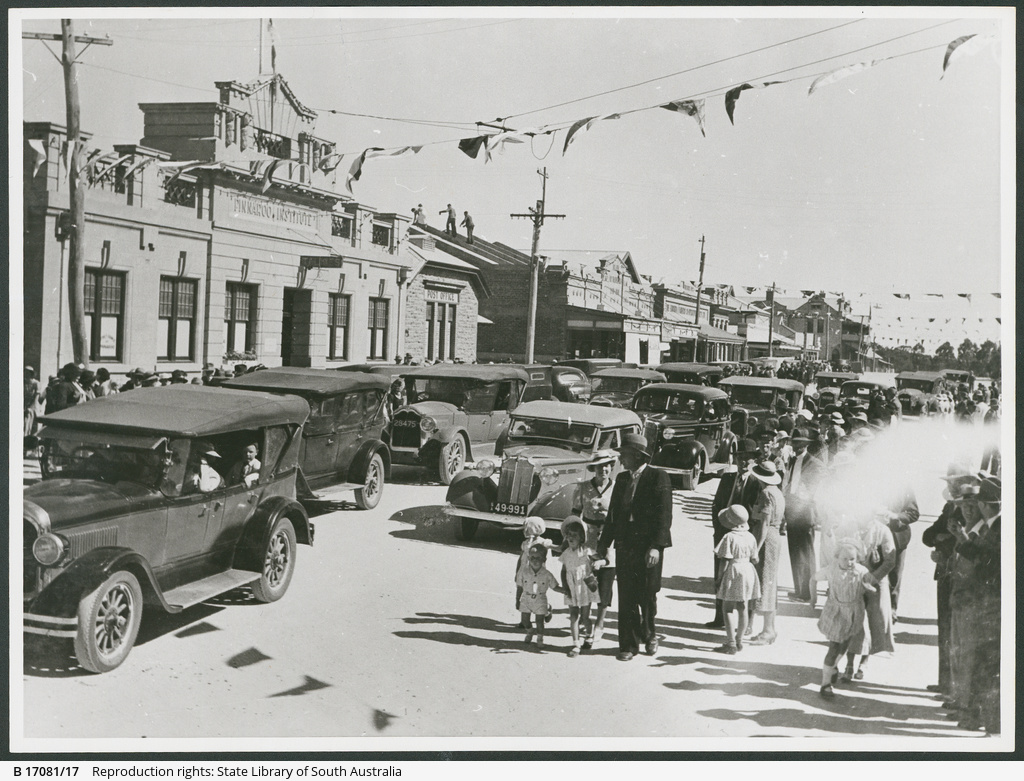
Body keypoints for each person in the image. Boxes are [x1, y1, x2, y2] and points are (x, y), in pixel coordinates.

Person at [597, 432, 672, 661]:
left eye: (625, 454)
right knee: (627, 595)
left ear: (638, 456)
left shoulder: (658, 477)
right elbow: (613, 515)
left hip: (647, 546)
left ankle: (649, 635)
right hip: (625, 543)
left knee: (647, 594)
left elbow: (664, 515)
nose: (621, 459)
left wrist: (657, 546)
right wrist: (603, 544)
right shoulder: (622, 479)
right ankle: (628, 645)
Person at [814, 538, 877, 700]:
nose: (849, 562)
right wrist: (813, 598)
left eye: (852, 559)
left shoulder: (861, 571)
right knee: (834, 646)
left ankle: (834, 667)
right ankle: (825, 684)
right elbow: (813, 579)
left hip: (854, 612)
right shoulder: (830, 570)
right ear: (837, 557)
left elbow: (871, 584)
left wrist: (869, 588)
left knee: (845, 644)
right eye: (844, 559)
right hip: (836, 611)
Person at [571, 451, 617, 645]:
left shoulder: (617, 488)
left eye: (607, 465)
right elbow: (575, 515)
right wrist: (572, 540)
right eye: (599, 466)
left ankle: (600, 624)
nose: (603, 469)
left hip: (610, 539)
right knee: (587, 581)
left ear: (611, 467)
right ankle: (586, 619)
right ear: (593, 468)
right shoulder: (583, 488)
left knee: (605, 583)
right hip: (588, 539)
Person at [783, 432, 826, 603]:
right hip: (792, 509)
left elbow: (818, 488)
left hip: (806, 511)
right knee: (794, 551)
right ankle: (798, 589)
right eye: (794, 443)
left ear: (806, 445)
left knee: (806, 553)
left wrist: (806, 496)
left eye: (800, 443)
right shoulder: (792, 461)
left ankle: (808, 592)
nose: (796, 446)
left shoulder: (815, 463)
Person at [713, 505, 761, 655]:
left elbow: (725, 560)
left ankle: (731, 642)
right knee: (743, 606)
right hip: (748, 570)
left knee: (727, 607)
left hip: (734, 570)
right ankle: (739, 640)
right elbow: (755, 558)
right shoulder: (751, 536)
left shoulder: (729, 537)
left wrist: (719, 578)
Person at [748, 461, 786, 645]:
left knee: (764, 582)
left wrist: (756, 547)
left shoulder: (765, 494)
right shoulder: (777, 492)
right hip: (774, 535)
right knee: (769, 582)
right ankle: (768, 628)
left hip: (767, 538)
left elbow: (764, 522)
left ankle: (767, 630)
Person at [558, 516, 598, 657]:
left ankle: (589, 634)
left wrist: (597, 564)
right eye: (569, 534)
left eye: (574, 535)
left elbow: (598, 560)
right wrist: (565, 587)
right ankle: (576, 644)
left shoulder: (587, 552)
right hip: (571, 588)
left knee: (585, 617)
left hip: (584, 588)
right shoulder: (566, 553)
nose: (571, 537)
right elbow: (563, 571)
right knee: (573, 616)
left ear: (582, 537)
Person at [878, 485, 919, 620]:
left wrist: (896, 516)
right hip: (874, 536)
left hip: (897, 537)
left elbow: (913, 513)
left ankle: (892, 608)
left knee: (895, 575)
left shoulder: (905, 487)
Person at [515, 543, 564, 651]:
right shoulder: (523, 572)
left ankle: (540, 638)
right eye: (532, 557)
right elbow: (519, 586)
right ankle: (530, 631)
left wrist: (565, 591)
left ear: (544, 559)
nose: (535, 560)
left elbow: (555, 587)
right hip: (526, 598)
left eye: (538, 558)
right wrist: (517, 600)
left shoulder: (547, 574)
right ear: (528, 558)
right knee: (525, 621)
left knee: (539, 621)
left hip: (540, 599)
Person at [515, 517, 554, 628]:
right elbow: (521, 558)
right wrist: (517, 572)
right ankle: (524, 618)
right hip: (524, 572)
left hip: (537, 574)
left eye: (527, 528)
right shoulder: (525, 543)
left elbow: (554, 547)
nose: (524, 530)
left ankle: (546, 609)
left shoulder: (542, 542)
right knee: (523, 593)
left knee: (537, 594)